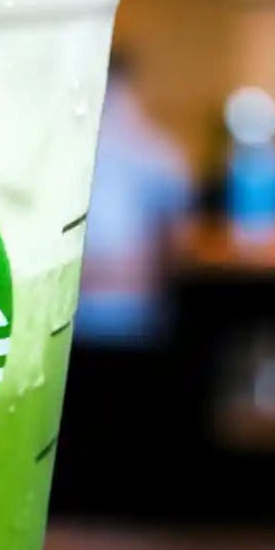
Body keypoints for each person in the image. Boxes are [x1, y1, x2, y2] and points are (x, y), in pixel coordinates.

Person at [76, 52, 192, 345]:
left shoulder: (154, 150)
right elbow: (177, 242)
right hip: (135, 314)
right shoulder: (159, 150)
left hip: (82, 318)